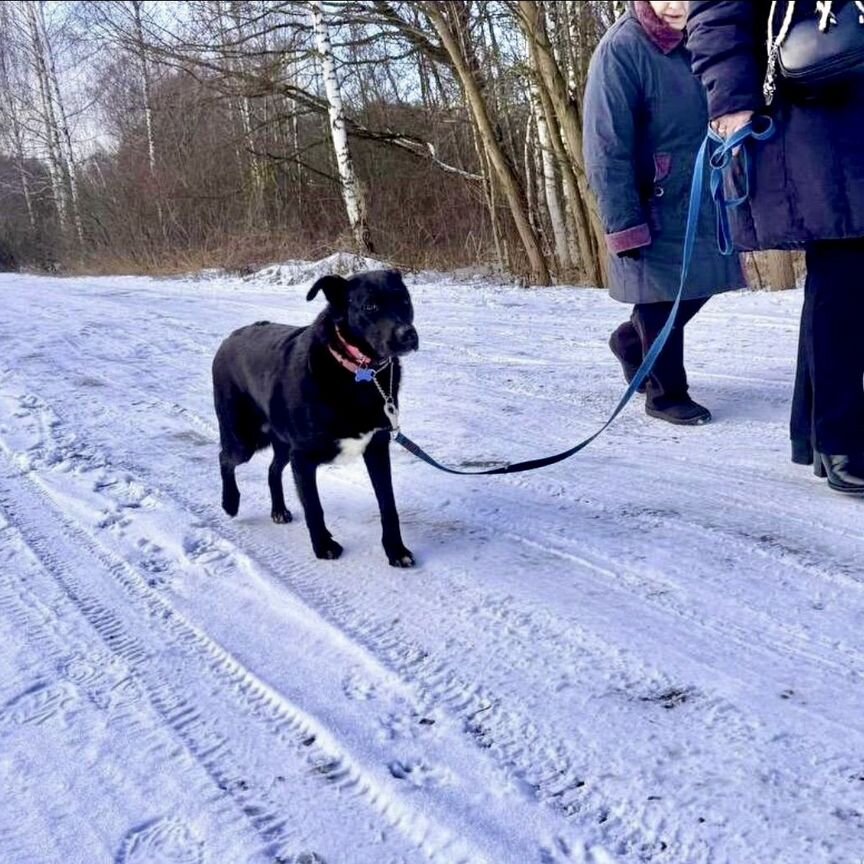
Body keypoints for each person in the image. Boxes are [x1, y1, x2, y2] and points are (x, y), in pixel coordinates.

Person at [687, 0, 864, 495]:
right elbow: (716, 9)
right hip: (816, 94)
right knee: (847, 256)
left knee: (845, 262)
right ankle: (842, 435)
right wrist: (728, 99)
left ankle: (819, 431)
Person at [584, 0, 746, 426]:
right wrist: (624, 223)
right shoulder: (621, 48)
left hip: (705, 191)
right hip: (651, 199)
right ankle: (665, 393)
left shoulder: (710, 36)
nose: (676, 5)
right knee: (661, 298)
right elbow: (605, 147)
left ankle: (631, 342)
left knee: (702, 282)